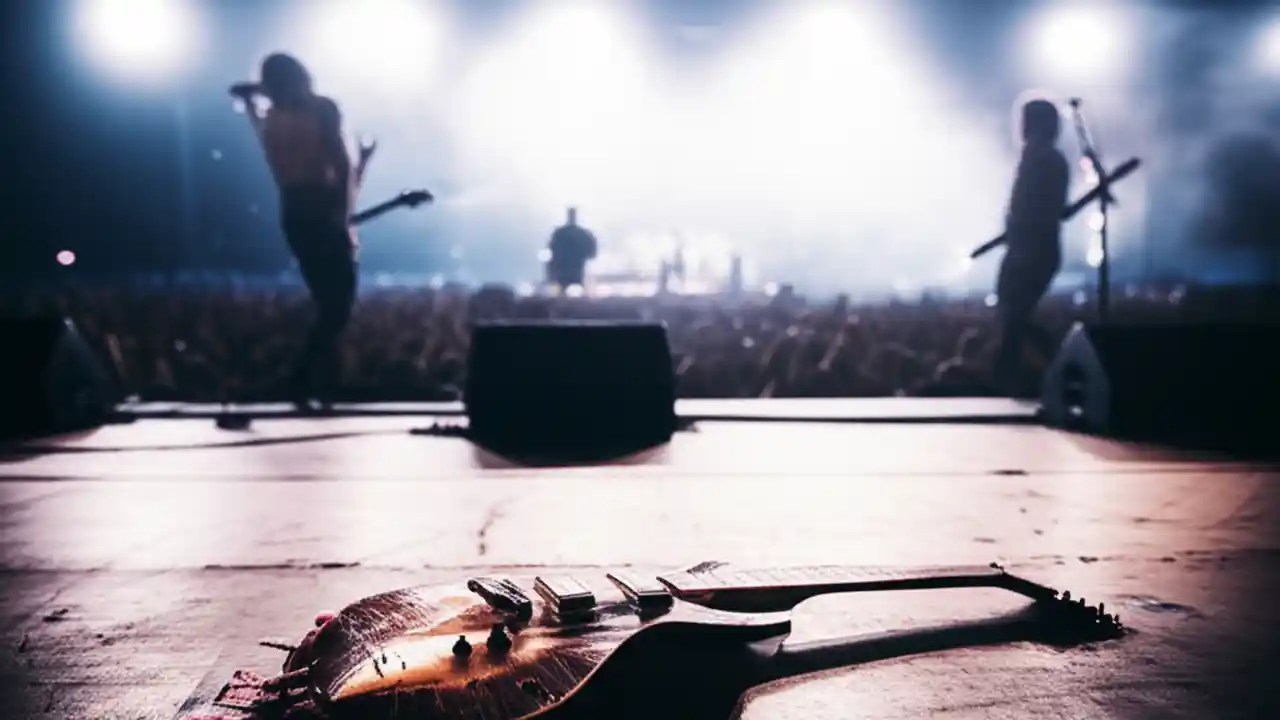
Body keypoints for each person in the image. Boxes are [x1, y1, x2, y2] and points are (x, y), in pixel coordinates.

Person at [229, 53, 375, 406]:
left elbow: (238, 92)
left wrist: (258, 88)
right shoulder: (322, 108)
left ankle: (313, 382)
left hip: (293, 211)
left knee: (330, 303)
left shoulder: (268, 117)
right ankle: (301, 380)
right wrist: (343, 217)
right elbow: (341, 168)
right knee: (338, 305)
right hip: (323, 204)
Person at [993, 98, 1069, 394]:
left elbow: (1033, 208)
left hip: (1032, 251)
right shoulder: (1043, 157)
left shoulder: (1042, 158)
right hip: (1032, 248)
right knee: (1014, 319)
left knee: (1014, 319)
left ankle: (1053, 359)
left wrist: (1017, 226)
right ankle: (1053, 360)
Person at [545, 207, 597, 289]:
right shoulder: (582, 234)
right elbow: (592, 253)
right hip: (573, 272)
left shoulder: (560, 233)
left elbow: (552, 252)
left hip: (567, 272)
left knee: (565, 294)